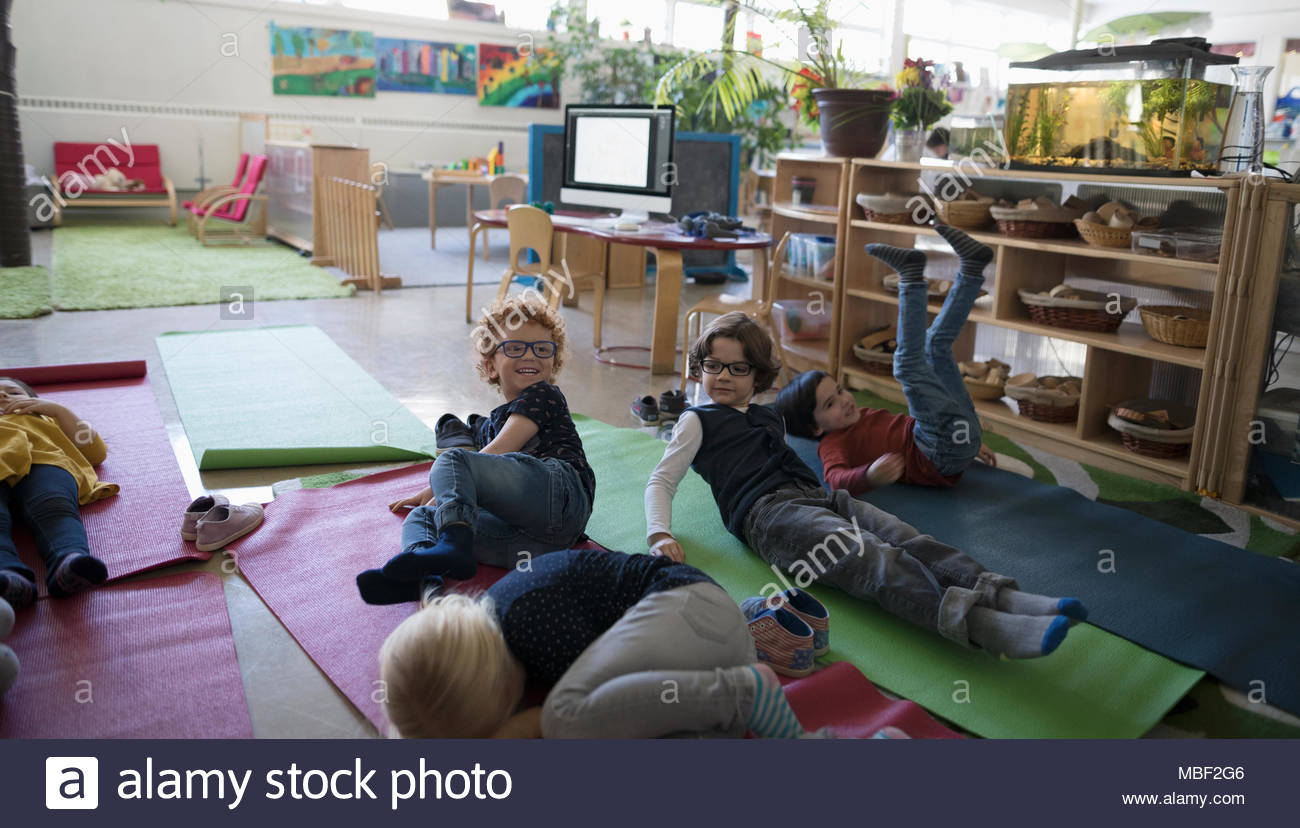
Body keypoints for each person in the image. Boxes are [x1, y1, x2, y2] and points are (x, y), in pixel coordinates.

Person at [644, 312, 1085, 660]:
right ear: (699, 367)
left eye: (737, 368)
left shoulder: (766, 413)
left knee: (907, 537)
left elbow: (811, 411)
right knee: (873, 556)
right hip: (771, 517)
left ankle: (1001, 595)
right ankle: (979, 625)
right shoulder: (695, 421)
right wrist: (659, 532)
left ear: (757, 376)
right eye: (712, 365)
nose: (722, 375)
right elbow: (662, 479)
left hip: (821, 497)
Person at [378, 549, 817, 739]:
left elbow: (603, 697)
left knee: (563, 719)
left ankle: (745, 693)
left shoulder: (528, 622)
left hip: (691, 609)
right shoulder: (501, 637)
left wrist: (523, 728)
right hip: (704, 651)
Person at [357, 294, 595, 604]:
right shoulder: (492, 423)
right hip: (540, 541)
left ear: (553, 361)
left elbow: (498, 450)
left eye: (542, 349)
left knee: (453, 462)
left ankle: (454, 543)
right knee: (423, 518)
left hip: (561, 495)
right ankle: (423, 578)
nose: (531, 356)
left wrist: (439, 483)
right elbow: (480, 468)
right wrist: (443, 495)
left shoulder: (545, 395)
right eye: (515, 347)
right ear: (490, 365)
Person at [774, 223, 996, 495]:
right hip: (937, 453)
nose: (844, 400)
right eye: (831, 403)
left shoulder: (861, 416)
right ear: (816, 427)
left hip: (950, 438)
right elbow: (836, 479)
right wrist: (868, 476)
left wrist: (965, 437)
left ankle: (972, 269)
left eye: (840, 391)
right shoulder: (833, 445)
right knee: (905, 366)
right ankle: (911, 277)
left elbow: (921, 420)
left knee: (935, 345)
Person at [0, 376, 112, 609]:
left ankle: (70, 561)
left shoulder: (42, 419)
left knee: (55, 507)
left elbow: (96, 453)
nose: (3, 396)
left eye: (12, 392)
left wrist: (60, 412)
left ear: (33, 402)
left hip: (44, 463)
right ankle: (7, 575)